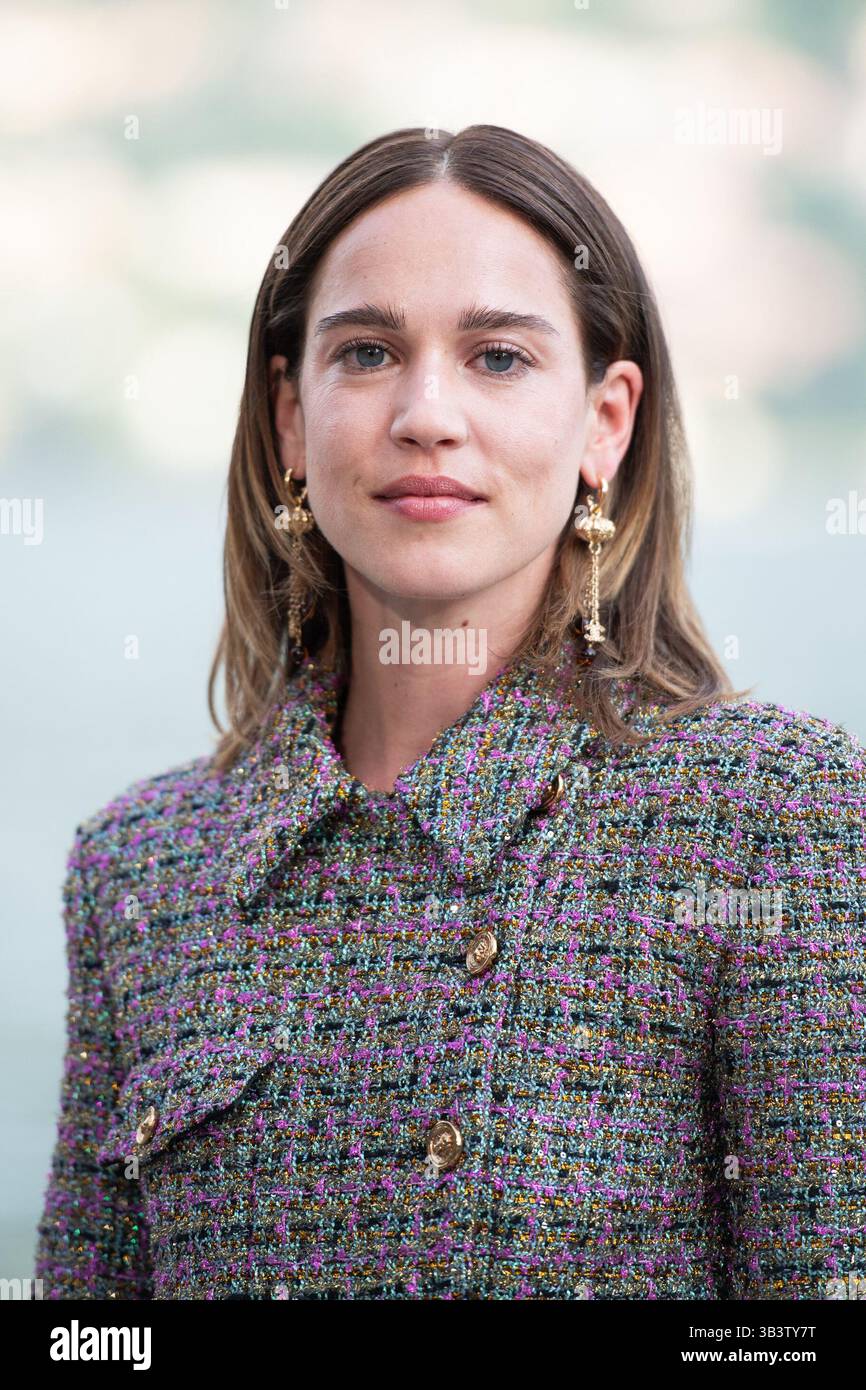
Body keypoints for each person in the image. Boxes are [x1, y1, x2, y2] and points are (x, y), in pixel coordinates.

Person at [35, 124, 866, 1301]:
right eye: (367, 352)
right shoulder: (142, 866)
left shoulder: (772, 814)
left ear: (605, 421)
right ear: (289, 417)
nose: (426, 413)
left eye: (498, 358)